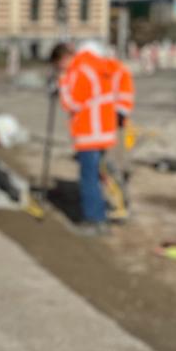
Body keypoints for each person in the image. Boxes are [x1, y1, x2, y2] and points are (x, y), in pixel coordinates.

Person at [50, 40, 117, 235]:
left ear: (63, 59)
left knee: (88, 179)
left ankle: (93, 221)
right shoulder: (94, 66)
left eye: (59, 65)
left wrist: (62, 83)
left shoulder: (80, 70)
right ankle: (100, 218)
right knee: (95, 177)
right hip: (101, 131)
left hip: (89, 133)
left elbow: (72, 103)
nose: (60, 69)